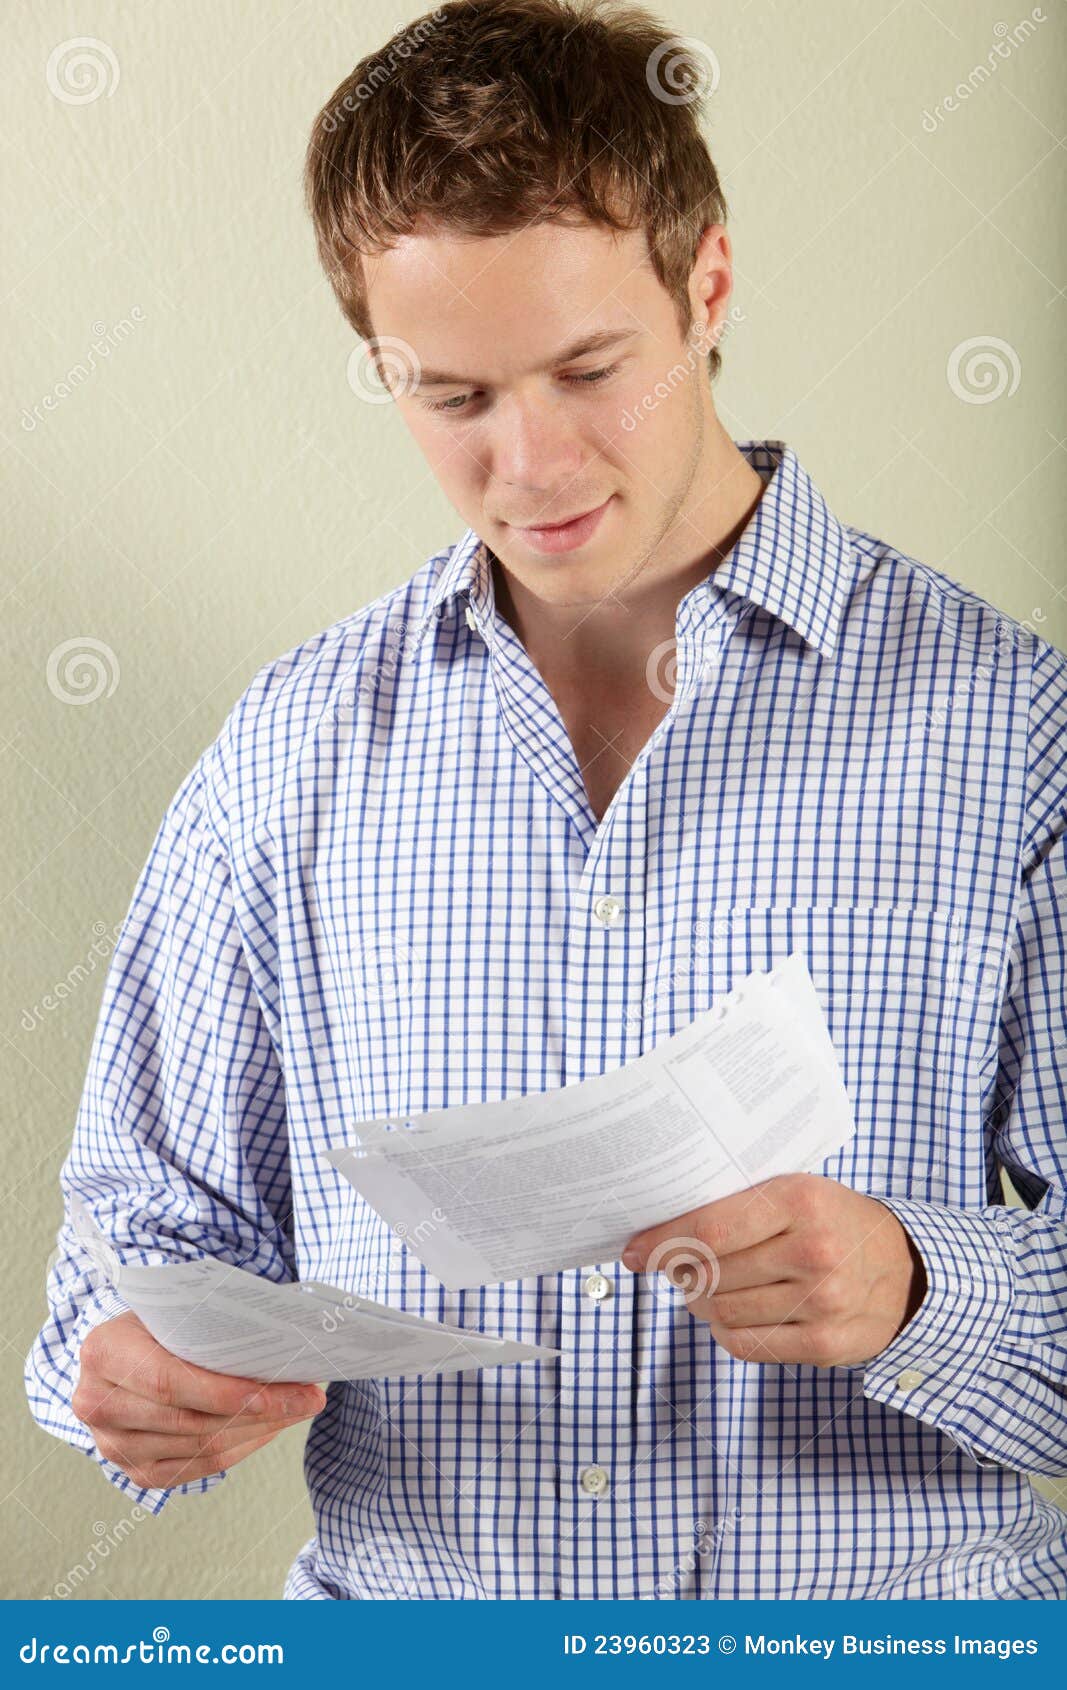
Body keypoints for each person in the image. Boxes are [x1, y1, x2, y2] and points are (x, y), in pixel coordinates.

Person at [26, 0, 1067, 1600]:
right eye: (454, 398)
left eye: (591, 369)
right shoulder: (287, 755)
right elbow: (132, 1232)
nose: (533, 463)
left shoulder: (1012, 730)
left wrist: (926, 1284)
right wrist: (120, 1371)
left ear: (707, 285)